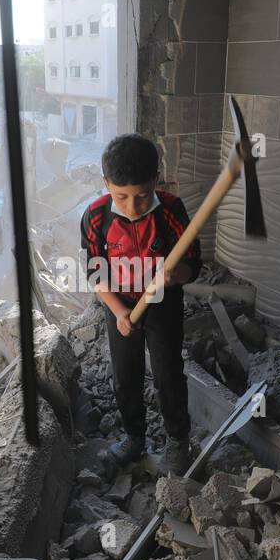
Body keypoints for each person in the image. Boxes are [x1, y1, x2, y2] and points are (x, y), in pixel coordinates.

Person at [79, 134, 201, 475]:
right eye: (122, 197)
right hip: (120, 305)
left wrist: (178, 273)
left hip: (162, 304)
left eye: (143, 196)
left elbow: (195, 261)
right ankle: (134, 437)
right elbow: (94, 271)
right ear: (106, 185)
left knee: (168, 373)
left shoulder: (171, 210)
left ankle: (178, 440)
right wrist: (118, 312)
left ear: (156, 181)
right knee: (125, 376)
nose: (133, 207)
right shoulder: (96, 217)